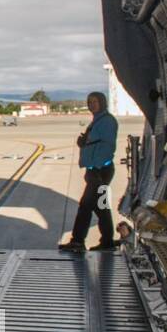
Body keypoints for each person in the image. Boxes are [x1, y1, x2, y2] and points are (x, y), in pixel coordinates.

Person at [60, 91, 119, 253]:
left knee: (86, 205)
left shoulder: (107, 121)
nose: (91, 104)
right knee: (101, 206)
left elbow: (108, 146)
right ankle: (107, 241)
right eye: (89, 102)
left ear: (102, 102)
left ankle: (78, 241)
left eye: (94, 101)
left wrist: (96, 168)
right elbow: (96, 143)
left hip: (100, 171)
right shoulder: (98, 120)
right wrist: (85, 144)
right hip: (98, 170)